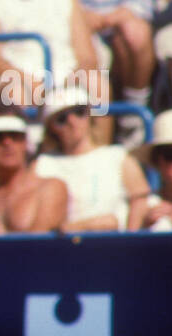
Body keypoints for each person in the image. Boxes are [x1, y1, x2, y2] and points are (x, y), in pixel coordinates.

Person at [34, 87, 150, 232]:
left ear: (89, 114)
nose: (72, 121)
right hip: (62, 248)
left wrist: (130, 242)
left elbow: (139, 202)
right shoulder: (43, 164)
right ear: (51, 128)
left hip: (114, 246)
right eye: (61, 118)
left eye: (78, 112)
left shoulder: (117, 156)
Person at [0, 106, 68, 234]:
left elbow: (40, 248)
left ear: (25, 143)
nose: (7, 142)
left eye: (15, 135)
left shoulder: (49, 188)